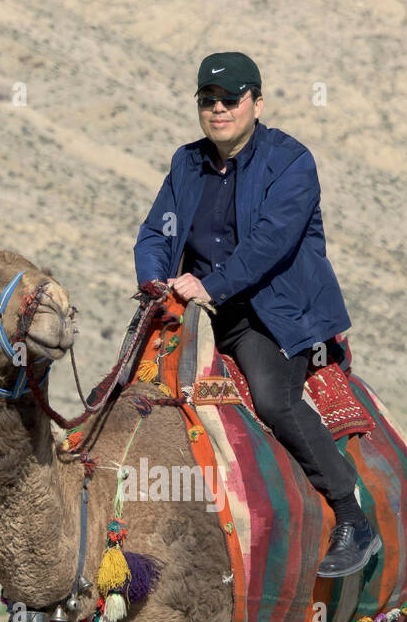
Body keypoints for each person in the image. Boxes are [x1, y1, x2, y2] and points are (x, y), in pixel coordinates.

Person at [134, 51, 382, 577]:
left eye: (230, 99)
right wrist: (157, 285)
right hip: (196, 310)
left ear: (256, 102)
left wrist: (209, 285)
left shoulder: (291, 161)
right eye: (208, 100)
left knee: (274, 399)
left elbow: (270, 243)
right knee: (127, 390)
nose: (218, 109)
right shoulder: (187, 162)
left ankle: (352, 516)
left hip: (272, 311)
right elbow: (158, 232)